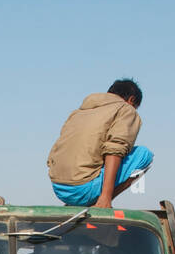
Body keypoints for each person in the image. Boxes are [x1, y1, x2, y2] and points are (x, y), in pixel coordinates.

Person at [47, 79, 153, 208]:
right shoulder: (126, 110)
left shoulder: (79, 112)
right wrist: (106, 197)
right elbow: (115, 150)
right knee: (145, 155)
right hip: (83, 190)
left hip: (59, 188)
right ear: (131, 100)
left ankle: (85, 200)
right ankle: (100, 203)